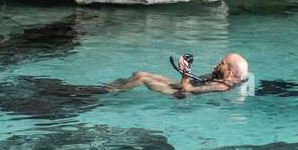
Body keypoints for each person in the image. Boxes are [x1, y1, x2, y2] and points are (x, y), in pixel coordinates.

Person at [107, 53, 250, 97]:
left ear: (230, 73)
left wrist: (185, 72)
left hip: (179, 94)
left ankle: (111, 91)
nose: (218, 63)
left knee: (143, 79)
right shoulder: (225, 77)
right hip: (182, 86)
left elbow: (186, 89)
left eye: (222, 63)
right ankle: (114, 86)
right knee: (139, 73)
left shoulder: (222, 86)